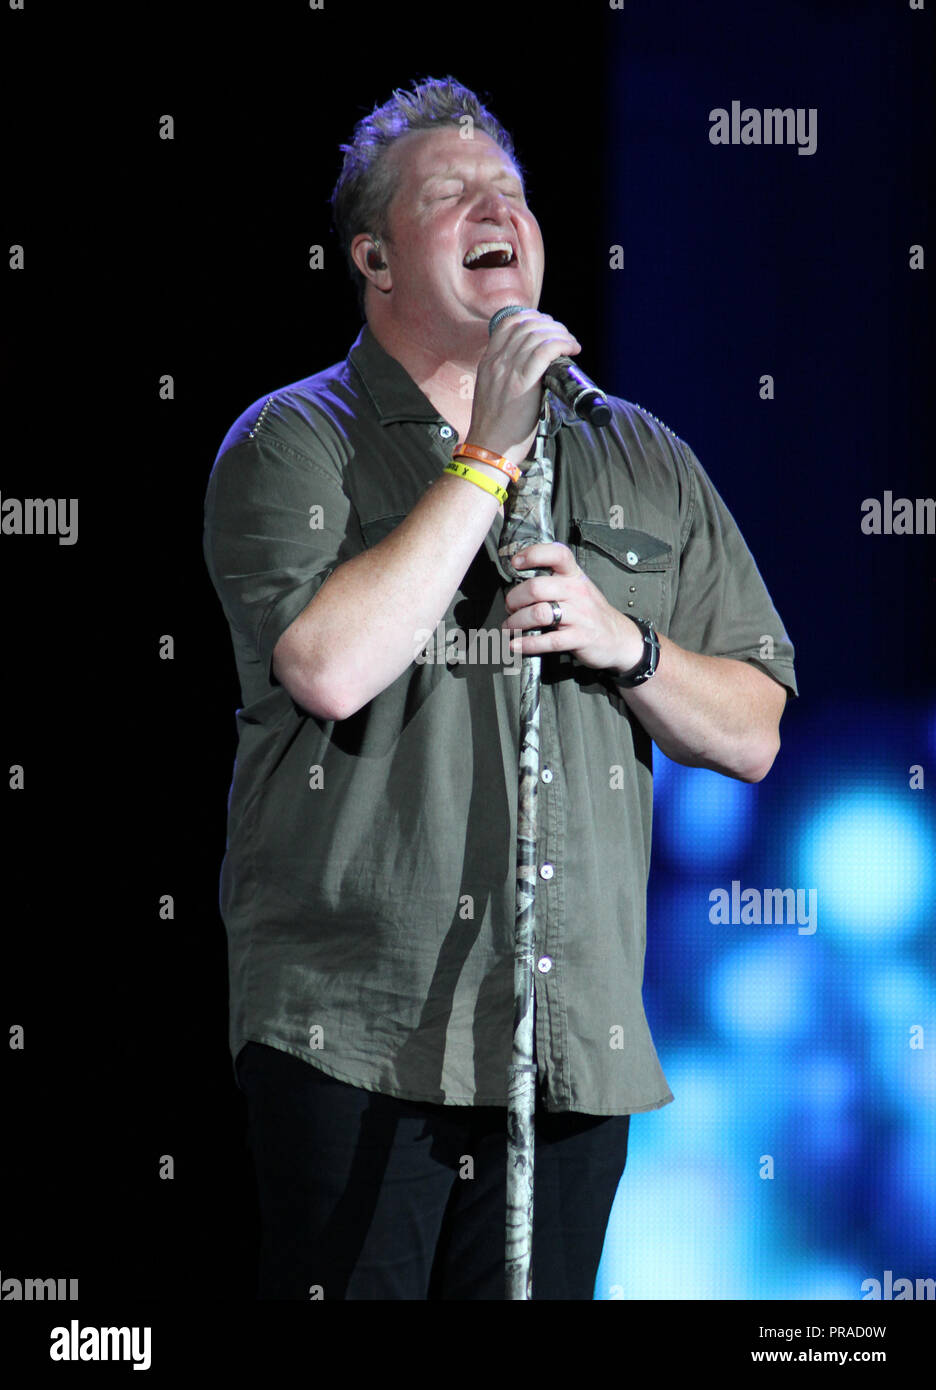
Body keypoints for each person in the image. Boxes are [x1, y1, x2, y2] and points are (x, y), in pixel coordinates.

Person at [202, 76, 797, 1301]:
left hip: (566, 1049)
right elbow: (327, 663)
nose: (498, 213)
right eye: (452, 196)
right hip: (356, 1038)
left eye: (513, 195)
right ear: (371, 255)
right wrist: (488, 452)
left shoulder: (640, 453)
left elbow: (753, 731)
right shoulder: (291, 440)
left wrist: (625, 642)